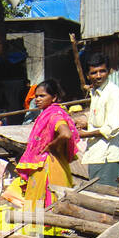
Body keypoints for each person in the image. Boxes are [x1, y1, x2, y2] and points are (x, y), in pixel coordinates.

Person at [17, 79, 81, 211]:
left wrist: (51, 145)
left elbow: (66, 134)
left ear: (54, 97)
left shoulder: (54, 115)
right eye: (36, 96)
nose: (38, 100)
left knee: (47, 202)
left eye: (42, 96)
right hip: (48, 164)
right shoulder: (48, 114)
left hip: (49, 164)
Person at [81, 53, 119, 186]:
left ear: (109, 71)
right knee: (95, 194)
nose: (99, 76)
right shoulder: (96, 92)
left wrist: (85, 134)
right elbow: (101, 121)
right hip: (96, 154)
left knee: (105, 197)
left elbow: (114, 127)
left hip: (107, 156)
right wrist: (85, 124)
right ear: (88, 75)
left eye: (102, 71)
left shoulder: (113, 93)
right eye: (94, 73)